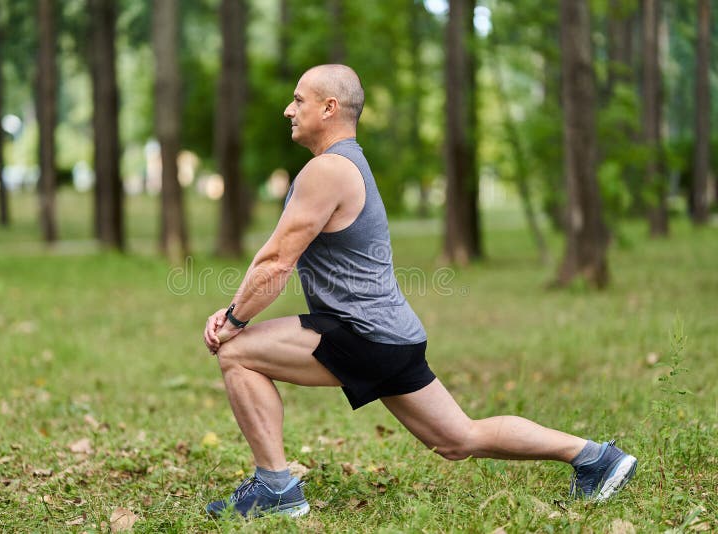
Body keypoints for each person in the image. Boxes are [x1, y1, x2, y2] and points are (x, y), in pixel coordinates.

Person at [202, 64, 637, 519]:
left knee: (237, 352)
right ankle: (595, 457)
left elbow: (277, 262)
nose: (288, 110)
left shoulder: (327, 170)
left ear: (329, 108)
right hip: (393, 336)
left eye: (298, 100)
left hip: (362, 333)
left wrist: (233, 321)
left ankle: (275, 489)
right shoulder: (347, 164)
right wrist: (234, 310)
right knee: (458, 438)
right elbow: (274, 256)